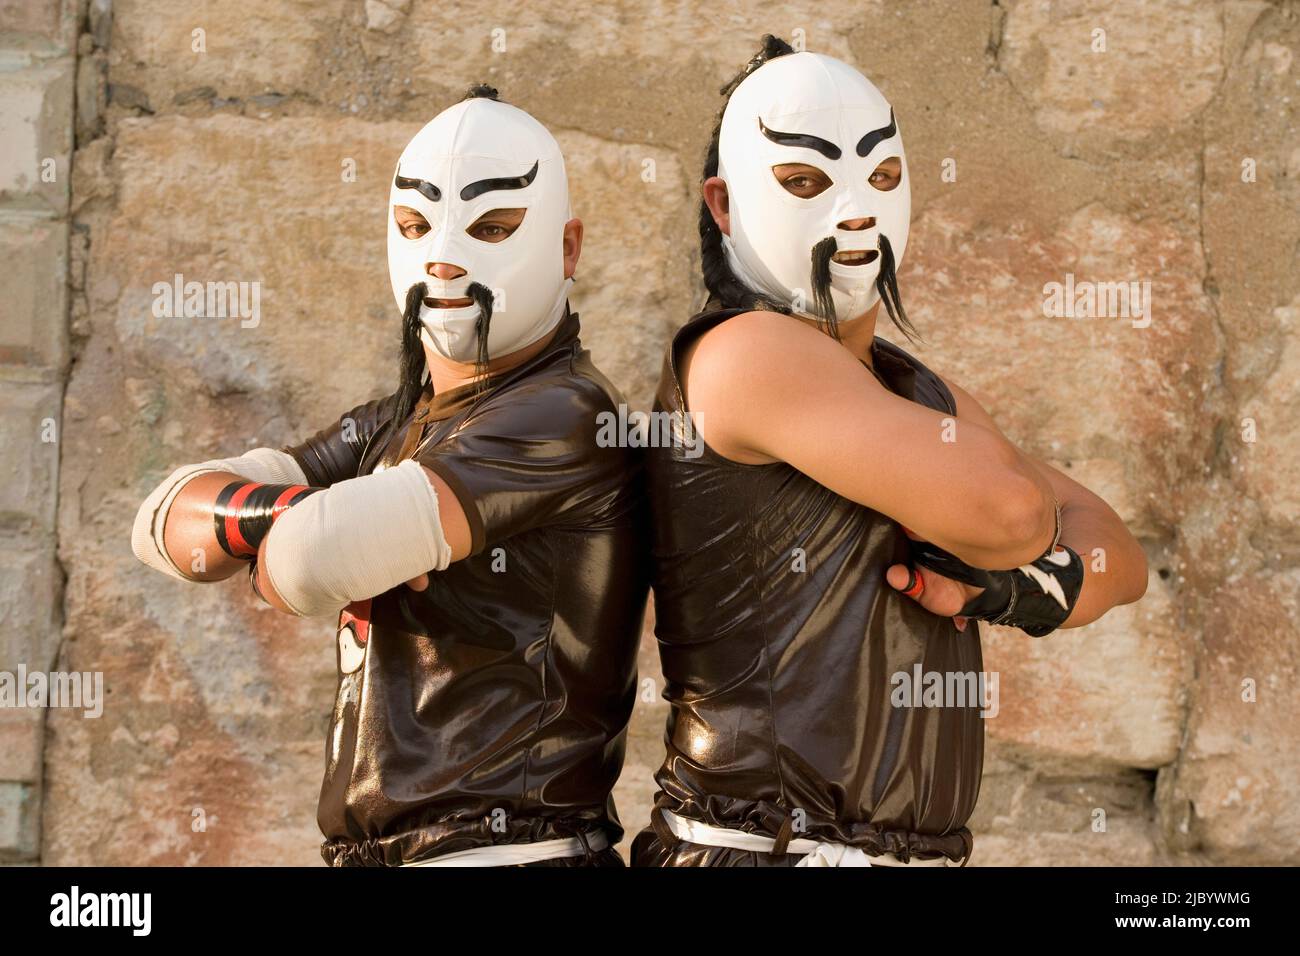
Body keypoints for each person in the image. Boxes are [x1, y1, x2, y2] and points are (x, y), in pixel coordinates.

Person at [631, 37, 1148, 867]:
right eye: (805, 181)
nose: (857, 211)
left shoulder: (907, 390)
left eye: (879, 177)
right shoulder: (746, 354)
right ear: (723, 205)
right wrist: (1029, 542)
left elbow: (1121, 555)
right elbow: (1014, 509)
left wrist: (1016, 587)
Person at [132, 85, 648, 867]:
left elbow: (308, 563)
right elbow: (163, 524)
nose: (444, 256)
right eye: (414, 226)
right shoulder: (389, 424)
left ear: (566, 247)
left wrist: (305, 533)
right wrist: (319, 519)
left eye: (494, 226)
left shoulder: (564, 414)